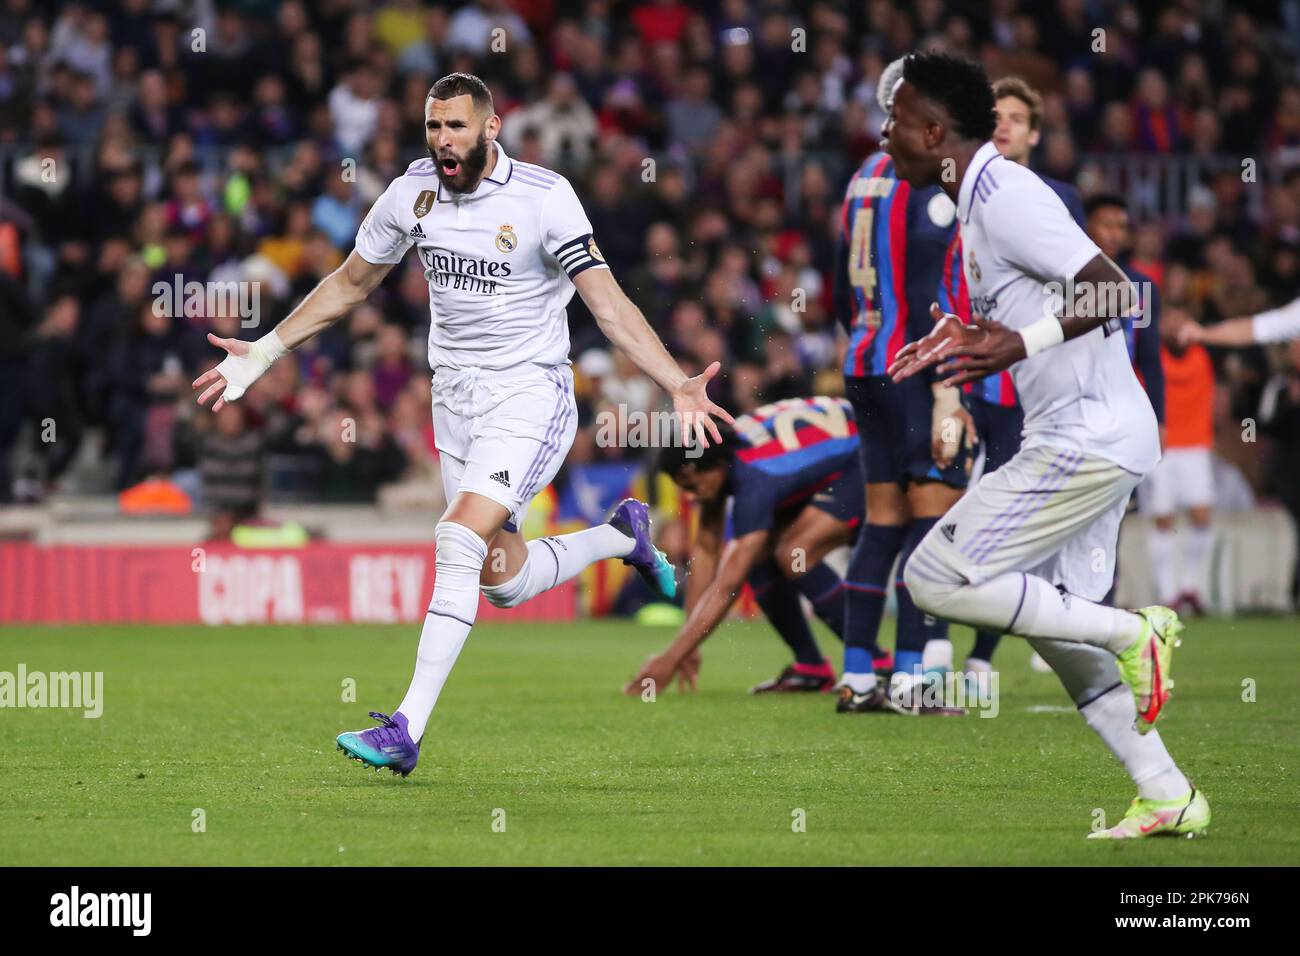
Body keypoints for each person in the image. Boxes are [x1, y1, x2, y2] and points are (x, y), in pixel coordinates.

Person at [193, 73, 732, 777]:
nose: (443, 141)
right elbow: (352, 284)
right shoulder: (411, 194)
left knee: (454, 537)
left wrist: (675, 381)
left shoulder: (545, 198)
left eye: (456, 127)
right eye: (433, 127)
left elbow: (607, 304)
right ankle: (619, 535)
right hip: (455, 399)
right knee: (501, 580)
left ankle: (405, 727)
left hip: (530, 394)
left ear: (492, 127)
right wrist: (264, 352)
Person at [883, 52, 1208, 839]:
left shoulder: (1004, 196)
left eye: (895, 121)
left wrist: (1017, 343)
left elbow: (1113, 290)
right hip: (1092, 433)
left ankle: (1138, 631)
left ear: (935, 132)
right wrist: (968, 334)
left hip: (1085, 437)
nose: (884, 134)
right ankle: (1165, 791)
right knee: (1056, 627)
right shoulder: (978, 196)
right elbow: (1046, 297)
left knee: (933, 574)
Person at [832, 55, 973, 715]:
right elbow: (929, 293)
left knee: (882, 519)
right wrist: (948, 385)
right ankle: (915, 679)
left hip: (864, 363)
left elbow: (838, 284)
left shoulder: (863, 176)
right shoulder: (929, 180)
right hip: (914, 366)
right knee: (933, 518)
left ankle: (859, 678)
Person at [625, 396, 894, 702]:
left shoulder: (754, 478)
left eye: (690, 485)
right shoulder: (720, 457)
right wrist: (690, 642)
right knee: (763, 557)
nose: (689, 496)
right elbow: (707, 548)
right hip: (847, 448)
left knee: (796, 553)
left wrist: (671, 658)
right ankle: (811, 668)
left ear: (701, 469)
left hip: (869, 455)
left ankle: (874, 661)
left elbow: (728, 583)